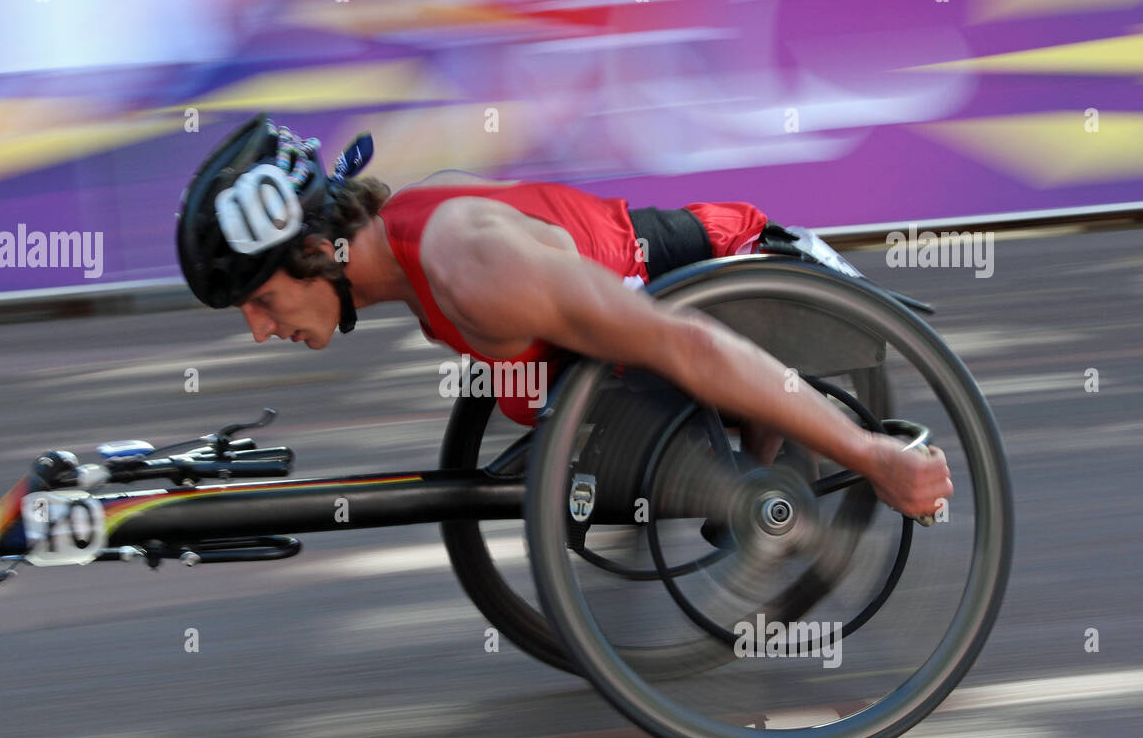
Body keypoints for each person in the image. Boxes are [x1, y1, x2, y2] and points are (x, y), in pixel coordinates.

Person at [176, 115, 951, 519]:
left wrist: (870, 455)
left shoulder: (467, 266)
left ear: (317, 251)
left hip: (754, 274)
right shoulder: (417, 255)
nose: (259, 329)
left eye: (261, 298)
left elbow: (677, 340)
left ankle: (802, 454)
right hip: (680, 318)